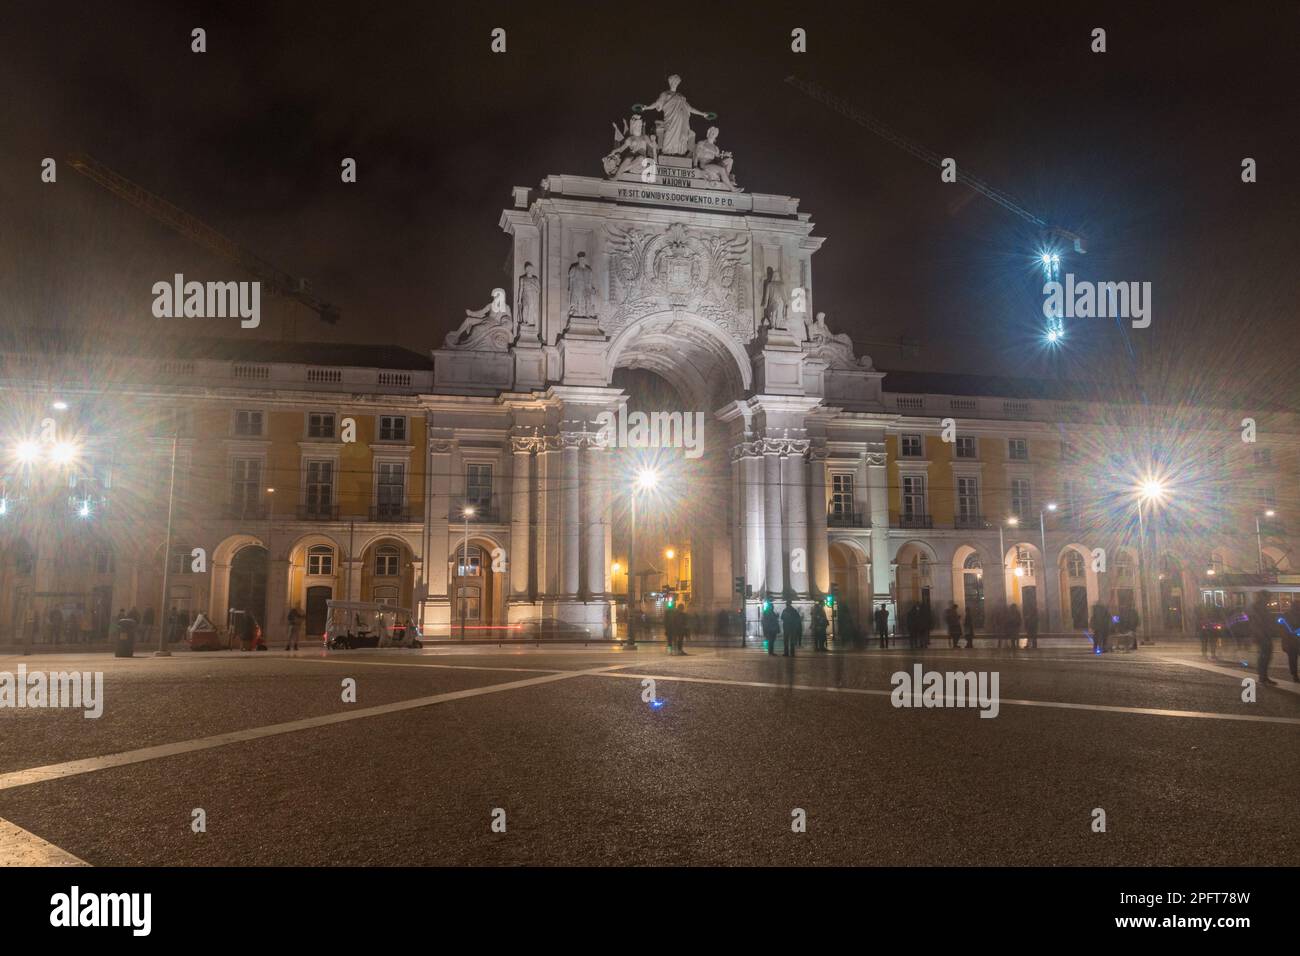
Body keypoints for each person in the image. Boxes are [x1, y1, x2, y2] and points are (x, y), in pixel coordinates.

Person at [1252, 592, 1277, 685]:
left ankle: (1264, 676)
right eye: (1268, 598)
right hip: (1262, 636)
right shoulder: (1259, 608)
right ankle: (1263, 677)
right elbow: (1257, 623)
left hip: (1264, 635)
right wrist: (1261, 635)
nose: (1269, 600)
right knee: (1264, 656)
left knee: (1266, 656)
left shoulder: (1260, 607)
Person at [1282, 606, 1299, 683]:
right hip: (1293, 641)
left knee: (1292, 659)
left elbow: (1284, 630)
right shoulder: (1289, 615)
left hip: (1290, 642)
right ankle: (1295, 675)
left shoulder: (1286, 615)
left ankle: (1294, 675)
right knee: (1293, 658)